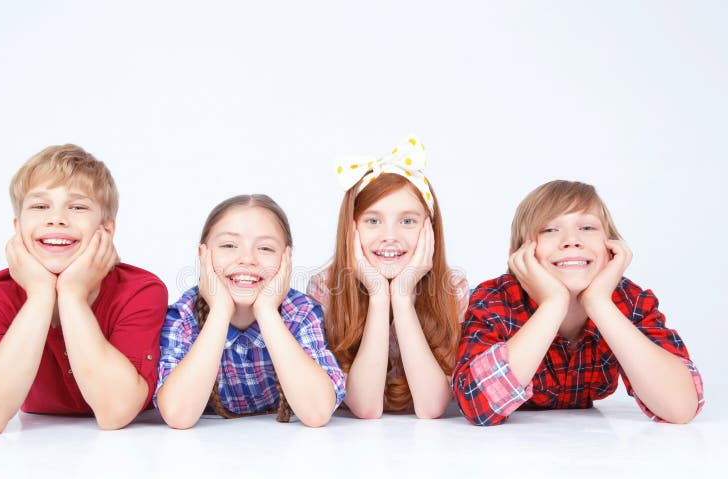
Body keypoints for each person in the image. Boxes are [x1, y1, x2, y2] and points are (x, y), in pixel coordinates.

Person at [0, 144, 168, 433]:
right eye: (40, 206)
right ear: (18, 227)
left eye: (77, 207)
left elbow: (116, 410)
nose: (57, 219)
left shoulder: (141, 290)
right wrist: (40, 294)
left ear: (106, 229)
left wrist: (72, 295)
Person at [453, 180, 704, 425]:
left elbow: (680, 408)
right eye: (549, 229)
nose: (571, 240)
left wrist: (599, 303)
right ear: (520, 254)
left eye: (587, 228)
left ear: (611, 249)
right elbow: (477, 406)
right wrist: (553, 304)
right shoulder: (493, 300)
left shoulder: (630, 300)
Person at [308, 137, 468, 419]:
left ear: (430, 229)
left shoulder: (453, 289)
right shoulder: (326, 288)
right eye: (373, 221)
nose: (390, 236)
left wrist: (403, 297)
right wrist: (379, 295)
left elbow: (431, 408)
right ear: (351, 228)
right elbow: (366, 408)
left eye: (407, 221)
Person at [155, 194, 345, 428]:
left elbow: (316, 412)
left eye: (265, 248)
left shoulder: (301, 313)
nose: (247, 259)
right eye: (229, 245)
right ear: (203, 255)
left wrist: (266, 311)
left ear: (287, 259)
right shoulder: (183, 316)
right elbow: (178, 414)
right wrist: (220, 311)